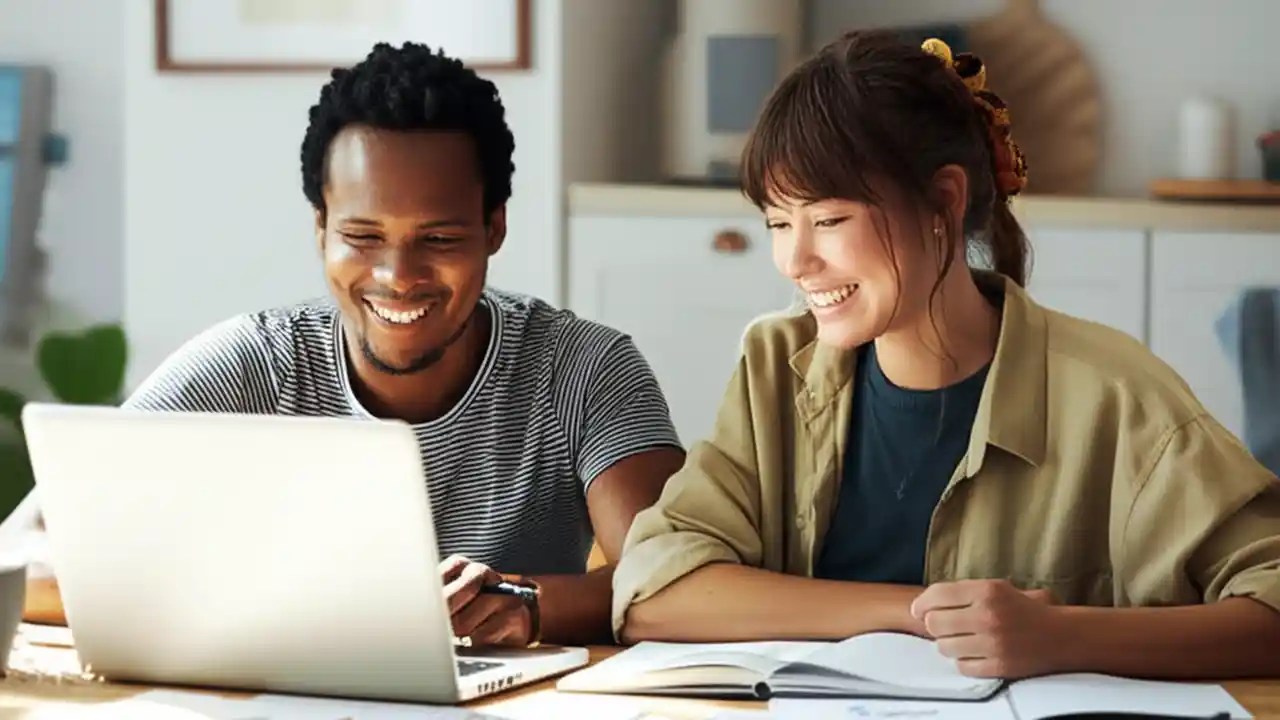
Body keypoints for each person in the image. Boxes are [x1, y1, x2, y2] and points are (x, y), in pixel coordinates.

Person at [612, 31, 1280, 680]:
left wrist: (1063, 635)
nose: (795, 261)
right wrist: (914, 613)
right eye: (779, 224)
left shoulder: (1118, 396)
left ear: (945, 200)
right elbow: (651, 588)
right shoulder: (775, 365)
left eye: (829, 220)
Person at [18, 42, 685, 648]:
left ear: (494, 227)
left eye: (441, 239)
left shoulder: (584, 369)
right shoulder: (252, 366)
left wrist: (523, 605)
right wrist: (290, 605)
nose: (399, 277)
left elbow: (668, 577)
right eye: (363, 237)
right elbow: (22, 556)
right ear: (321, 230)